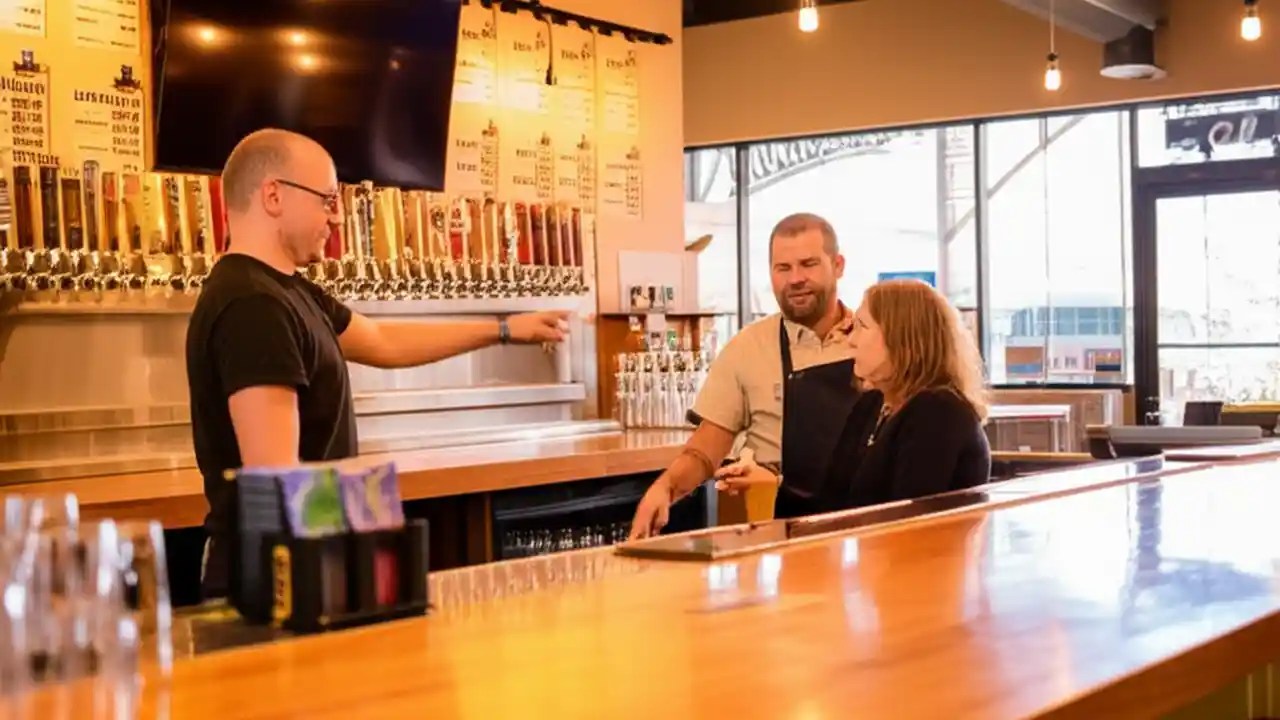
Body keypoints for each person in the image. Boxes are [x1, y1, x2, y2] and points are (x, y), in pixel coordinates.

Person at [186, 128, 569, 597]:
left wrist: (505, 329)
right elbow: (277, 479)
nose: (338, 216)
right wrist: (369, 517)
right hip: (276, 583)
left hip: (299, 564)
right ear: (273, 195)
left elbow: (383, 340)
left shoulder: (288, 292)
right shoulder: (252, 304)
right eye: (328, 200)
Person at [628, 213, 870, 539]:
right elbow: (705, 450)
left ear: (838, 265)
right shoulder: (747, 348)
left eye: (808, 264)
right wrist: (666, 487)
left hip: (866, 529)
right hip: (778, 535)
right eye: (782, 268)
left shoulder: (872, 342)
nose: (795, 279)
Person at [717, 278, 991, 509]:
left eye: (862, 327)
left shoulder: (938, 412)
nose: (851, 340)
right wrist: (770, 481)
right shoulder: (872, 403)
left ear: (901, 338)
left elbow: (906, 520)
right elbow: (831, 503)